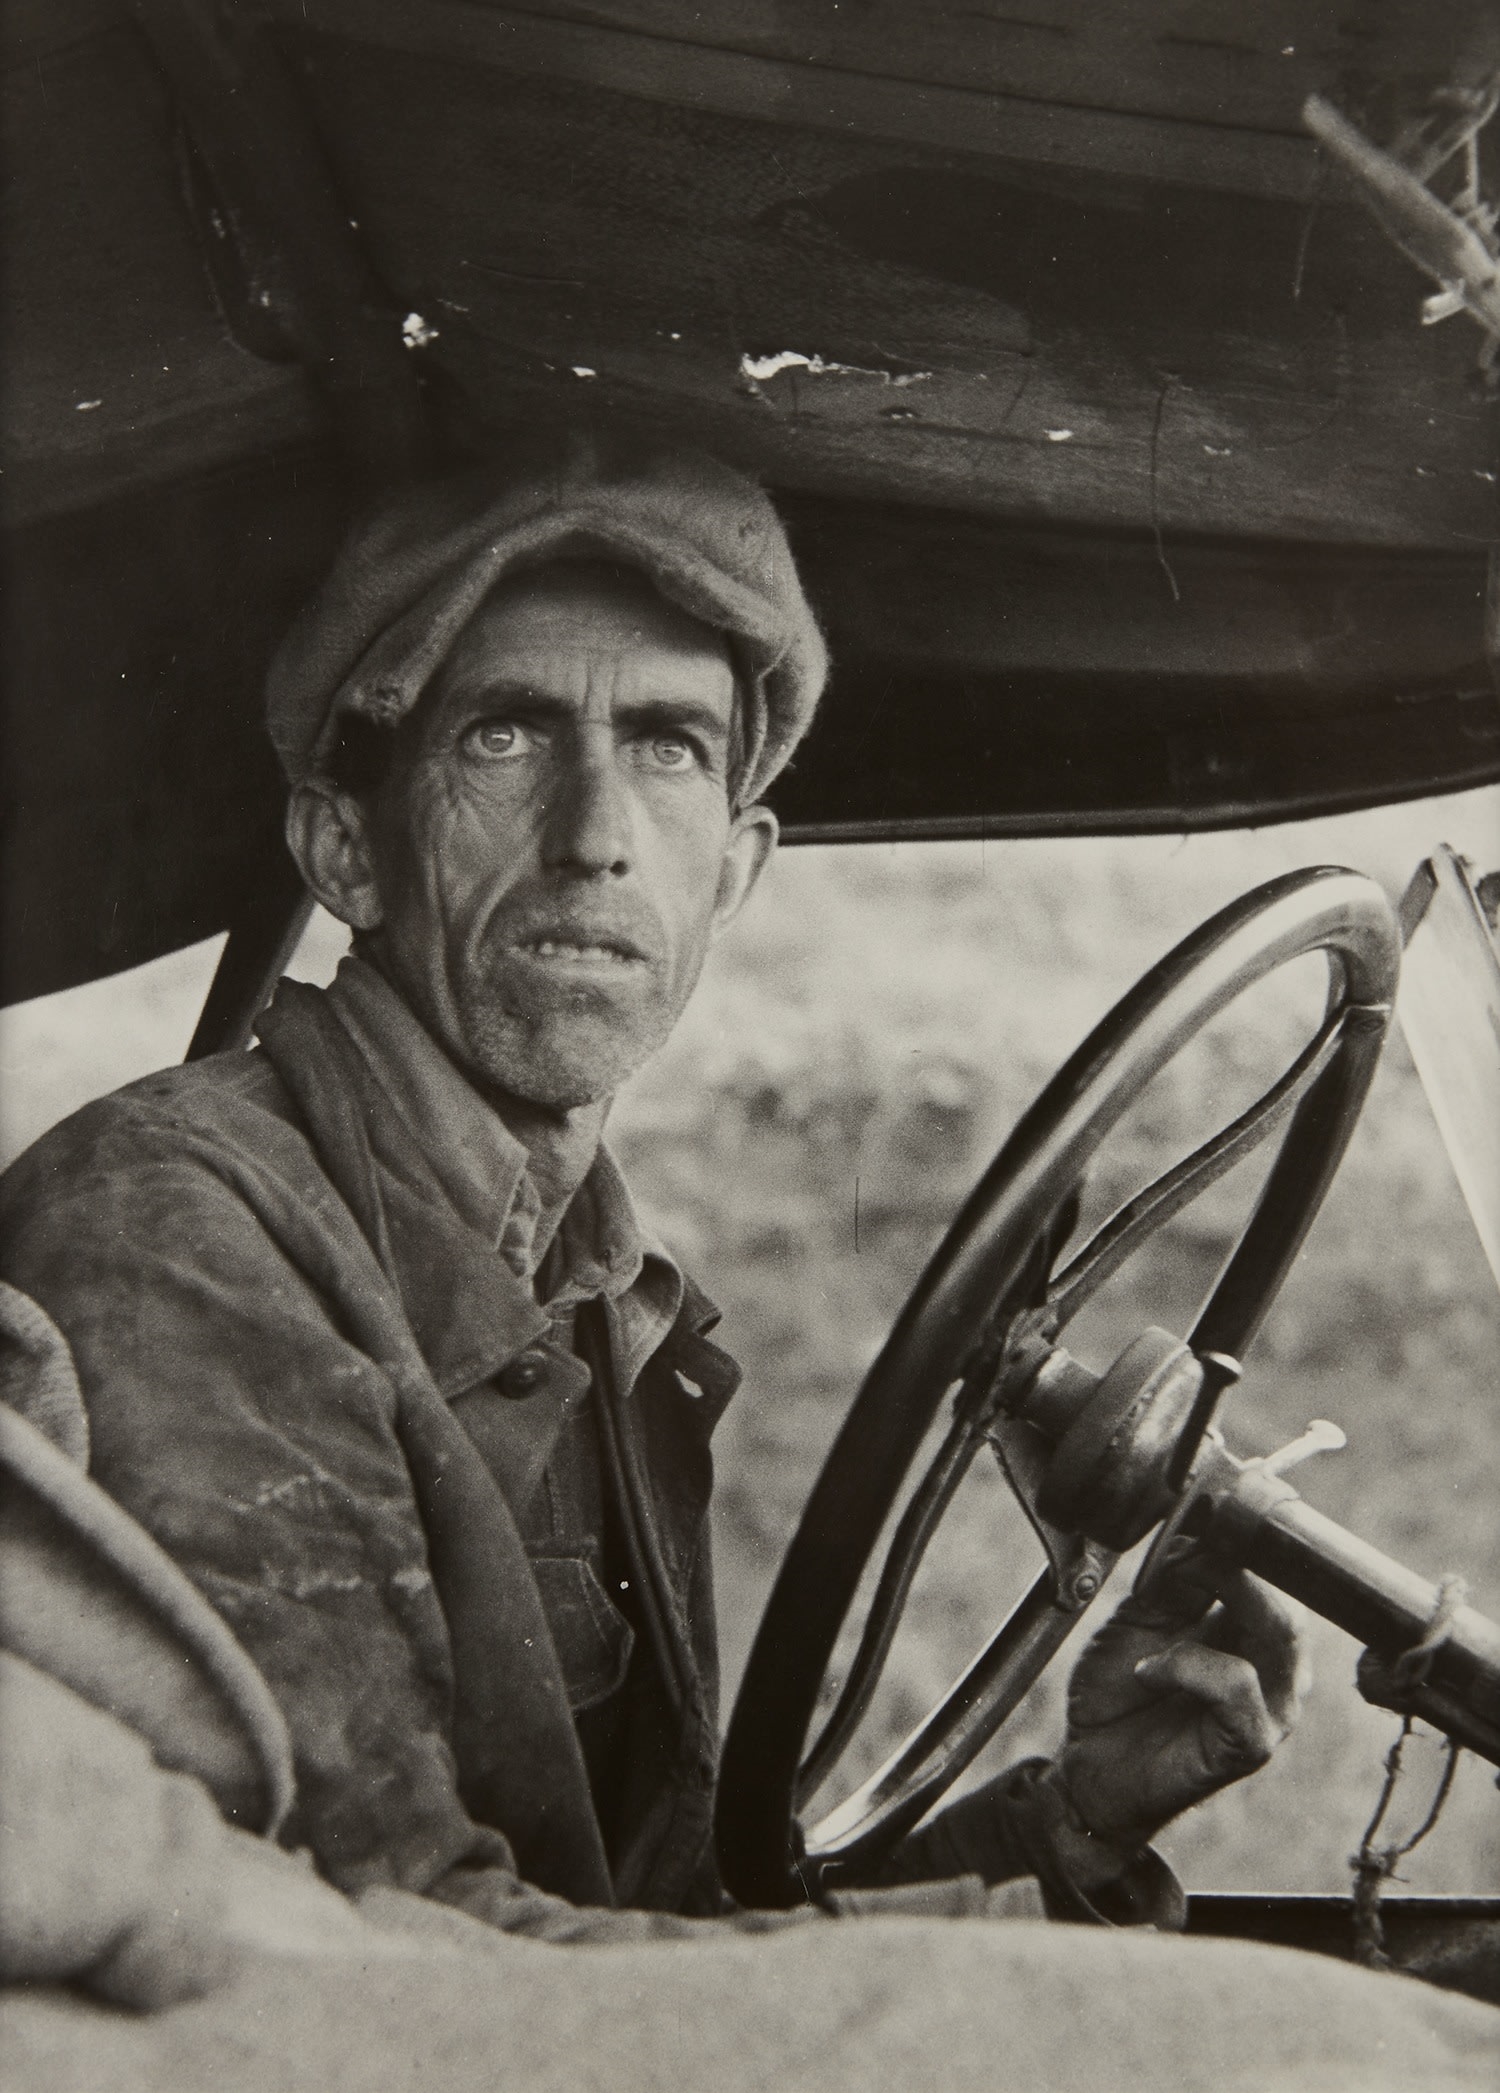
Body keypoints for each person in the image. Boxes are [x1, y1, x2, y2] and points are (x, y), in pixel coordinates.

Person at [0, 434, 1304, 1941]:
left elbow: (649, 1924)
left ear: (733, 869)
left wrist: (1070, 1824)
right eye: (505, 737)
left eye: (671, 749)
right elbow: (395, 1959)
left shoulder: (613, 1299)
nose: (596, 838)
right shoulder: (174, 1236)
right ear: (346, 847)